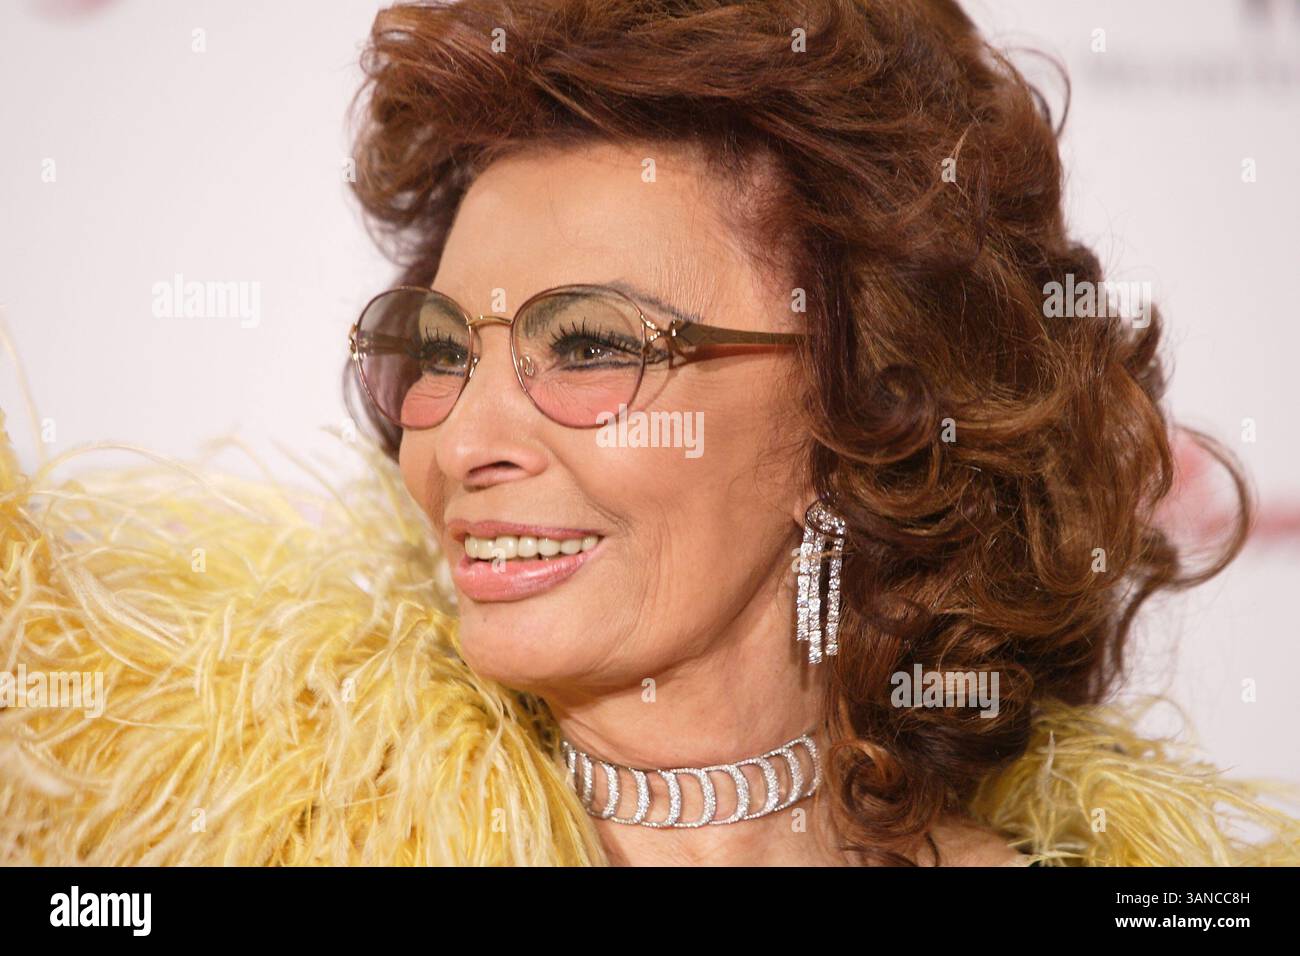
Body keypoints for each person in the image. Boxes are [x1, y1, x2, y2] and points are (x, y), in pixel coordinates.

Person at [2, 0, 1298, 866]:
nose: (460, 447)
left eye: (594, 346)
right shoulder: (212, 830)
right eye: (442, 350)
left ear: (863, 410)